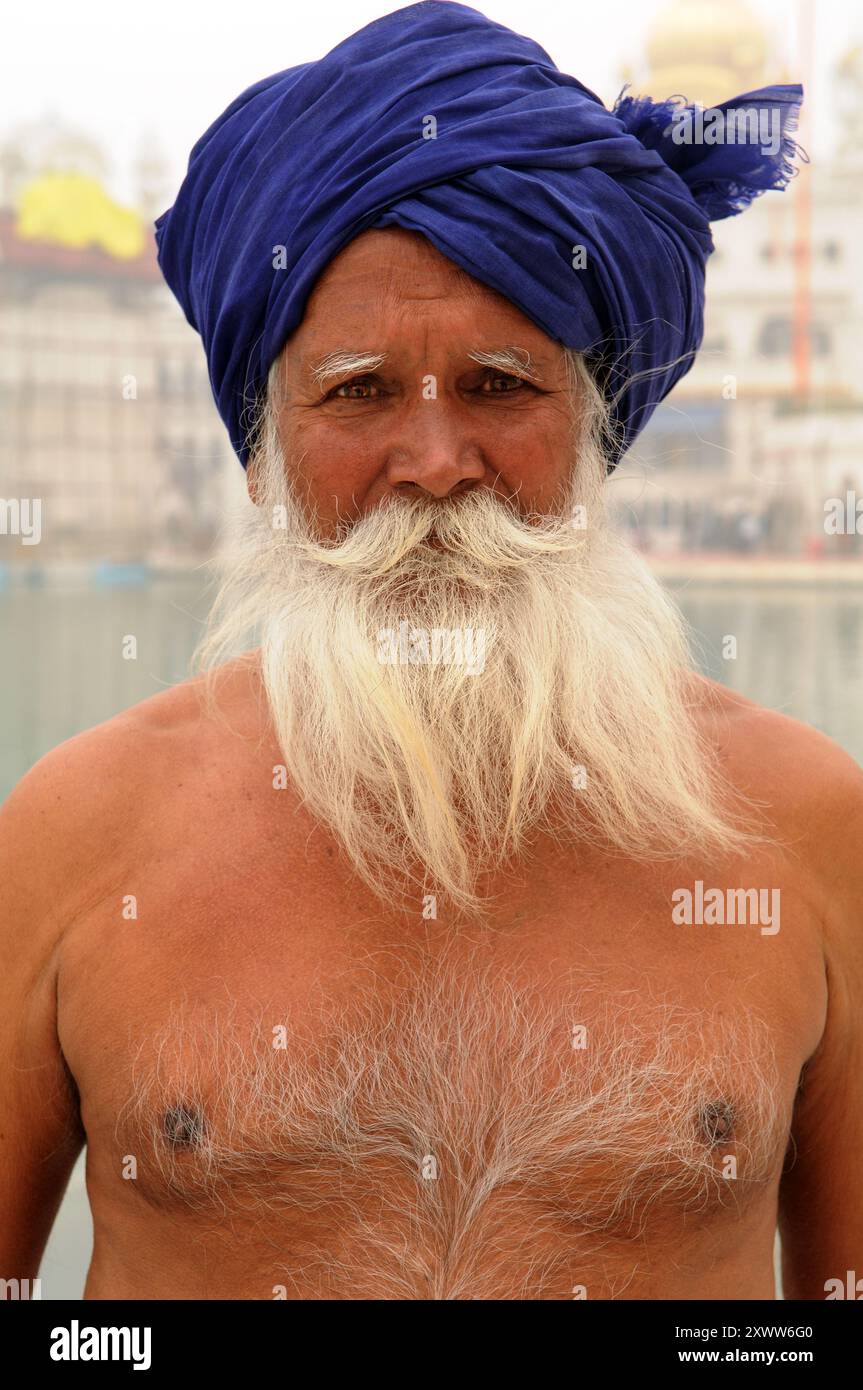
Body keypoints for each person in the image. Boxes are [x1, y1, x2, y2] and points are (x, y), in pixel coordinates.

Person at [1, 2, 860, 1301]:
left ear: (593, 426)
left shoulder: (807, 832)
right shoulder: (75, 836)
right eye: (356, 393)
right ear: (260, 451)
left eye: (502, 387)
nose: (437, 463)